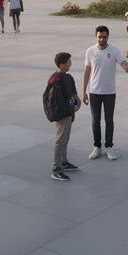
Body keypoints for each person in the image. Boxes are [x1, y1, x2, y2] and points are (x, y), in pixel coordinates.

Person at [83, 25, 128, 161]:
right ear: (96, 36)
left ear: (108, 37)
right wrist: (83, 92)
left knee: (109, 120)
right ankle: (97, 147)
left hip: (110, 92)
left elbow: (124, 65)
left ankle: (109, 147)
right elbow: (87, 71)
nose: (102, 39)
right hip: (94, 92)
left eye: (104, 37)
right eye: (99, 37)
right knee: (95, 121)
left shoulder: (114, 50)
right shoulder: (90, 51)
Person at [49, 52, 81, 181]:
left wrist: (76, 102)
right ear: (62, 64)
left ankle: (63, 161)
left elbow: (72, 95)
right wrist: (72, 104)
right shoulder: (58, 79)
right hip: (62, 113)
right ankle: (56, 168)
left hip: (68, 112)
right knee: (60, 140)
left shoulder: (67, 77)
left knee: (65, 138)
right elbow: (62, 98)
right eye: (68, 62)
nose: (70, 64)